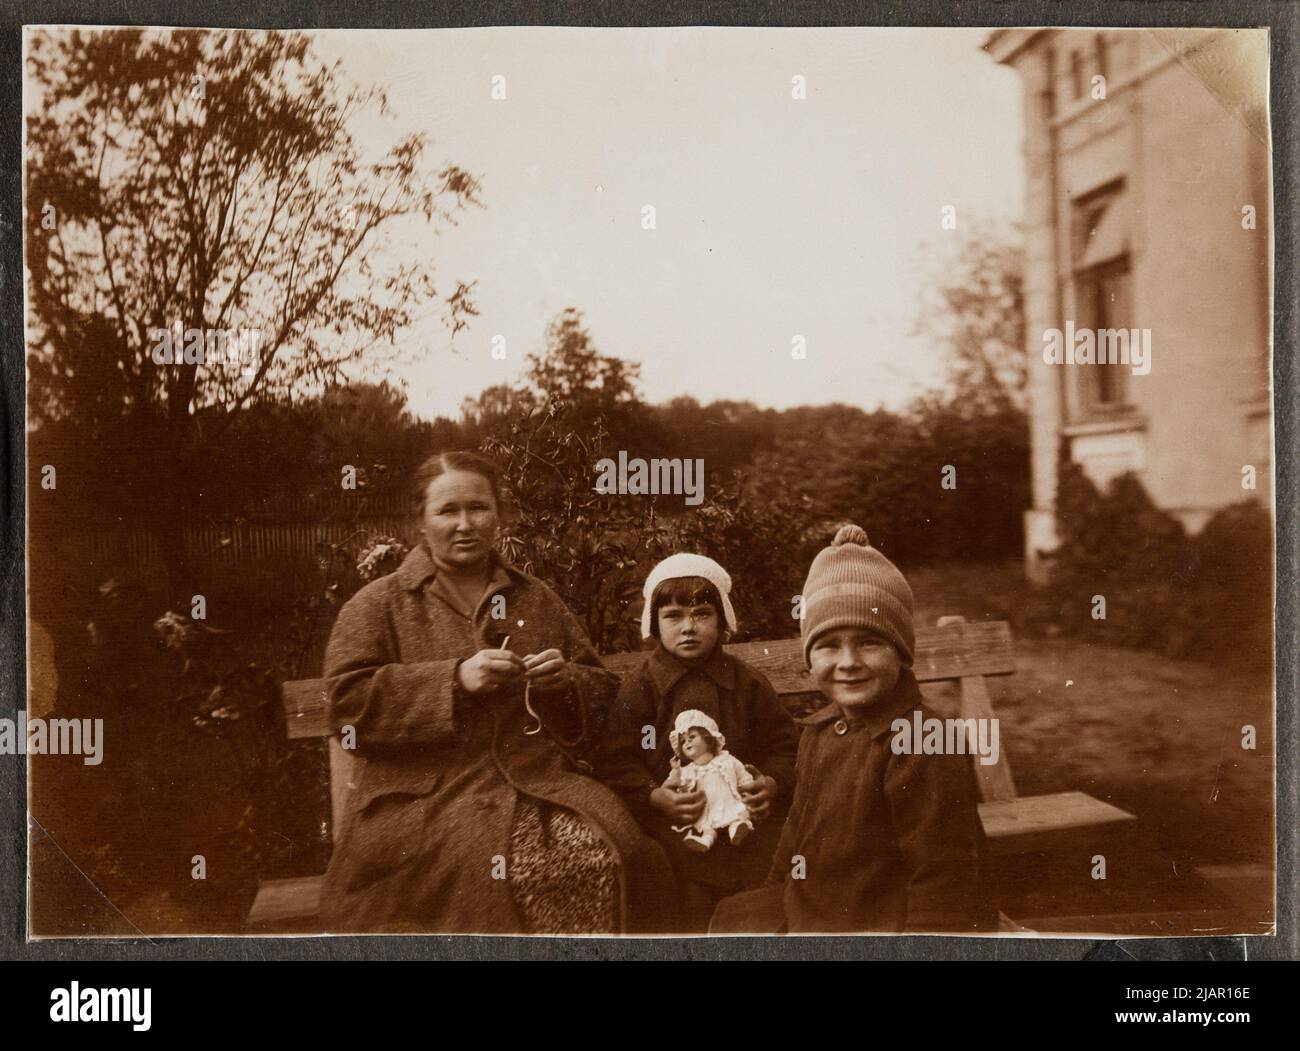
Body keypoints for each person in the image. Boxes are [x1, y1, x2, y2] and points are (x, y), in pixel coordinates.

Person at [320, 450, 674, 934]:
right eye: (447, 510)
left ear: (499, 515)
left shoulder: (535, 597)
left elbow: (606, 693)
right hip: (424, 803)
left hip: (540, 785)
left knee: (623, 852)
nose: (465, 524)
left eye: (478, 507)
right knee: (486, 877)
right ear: (419, 523)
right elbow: (346, 705)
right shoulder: (379, 604)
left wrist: (565, 681)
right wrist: (454, 680)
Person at [711, 524, 995, 934]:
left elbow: (944, 872)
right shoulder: (818, 733)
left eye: (869, 642)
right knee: (733, 922)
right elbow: (797, 832)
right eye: (828, 645)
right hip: (819, 909)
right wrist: (774, 897)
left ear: (902, 652)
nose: (848, 661)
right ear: (810, 660)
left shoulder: (924, 741)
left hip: (887, 925)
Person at [595, 553, 799, 931]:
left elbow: (785, 746)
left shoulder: (746, 683)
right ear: (654, 624)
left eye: (702, 614)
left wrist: (771, 783)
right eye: (673, 617)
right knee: (678, 896)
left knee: (765, 892)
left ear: (722, 620)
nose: (688, 627)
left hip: (747, 824)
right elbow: (616, 761)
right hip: (676, 825)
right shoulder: (641, 687)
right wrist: (654, 796)